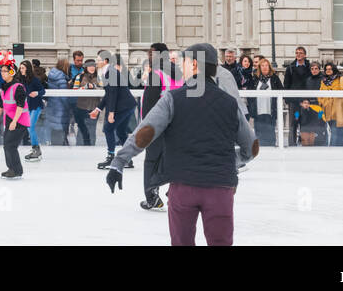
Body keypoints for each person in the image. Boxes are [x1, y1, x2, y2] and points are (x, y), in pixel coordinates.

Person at [105, 43, 256, 246]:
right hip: (220, 188)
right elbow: (251, 148)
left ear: (194, 65)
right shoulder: (229, 103)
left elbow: (145, 133)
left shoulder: (173, 99)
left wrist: (119, 161)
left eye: (183, 62)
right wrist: (229, 161)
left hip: (184, 187)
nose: (180, 67)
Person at [140, 42, 183, 210]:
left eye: (152, 54)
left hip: (158, 124)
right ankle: (173, 192)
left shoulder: (156, 74)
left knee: (151, 160)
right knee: (173, 159)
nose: (149, 57)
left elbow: (150, 104)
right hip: (176, 123)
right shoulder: (178, 73)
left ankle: (151, 197)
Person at [91, 51, 134, 169]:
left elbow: (113, 94)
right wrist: (98, 109)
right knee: (120, 131)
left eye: (98, 59)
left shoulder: (111, 72)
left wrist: (111, 113)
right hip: (127, 105)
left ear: (105, 61)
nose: (96, 61)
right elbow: (109, 94)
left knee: (108, 128)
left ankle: (111, 157)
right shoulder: (108, 72)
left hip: (124, 106)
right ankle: (128, 159)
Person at [0, 60, 29, 179]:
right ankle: (12, 169)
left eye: (5, 71)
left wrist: (15, 121)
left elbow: (20, 106)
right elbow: (0, 106)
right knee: (7, 145)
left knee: (10, 145)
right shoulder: (5, 87)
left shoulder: (18, 87)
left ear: (12, 72)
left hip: (20, 121)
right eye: (2, 71)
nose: (2, 73)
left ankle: (16, 170)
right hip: (10, 120)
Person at [283, 47, 313, 145]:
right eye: (297, 53)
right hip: (294, 102)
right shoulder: (290, 68)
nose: (298, 55)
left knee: (305, 123)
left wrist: (308, 100)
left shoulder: (309, 67)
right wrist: (287, 99)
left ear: (305, 55)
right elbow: (286, 84)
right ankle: (292, 144)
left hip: (306, 101)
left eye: (300, 53)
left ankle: (305, 143)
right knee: (293, 123)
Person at [248, 58, 282, 147]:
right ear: (259, 67)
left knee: (270, 132)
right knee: (258, 133)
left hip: (270, 111)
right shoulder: (255, 78)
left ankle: (271, 149)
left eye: (266, 65)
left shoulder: (274, 78)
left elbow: (281, 91)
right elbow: (249, 94)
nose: (264, 67)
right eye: (262, 66)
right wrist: (251, 107)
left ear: (269, 67)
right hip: (258, 111)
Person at [18, 60, 46, 162]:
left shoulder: (34, 80)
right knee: (29, 127)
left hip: (36, 105)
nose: (21, 70)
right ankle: (35, 149)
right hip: (28, 106)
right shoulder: (20, 79)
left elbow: (43, 90)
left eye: (23, 68)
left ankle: (36, 149)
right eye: (20, 68)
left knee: (30, 127)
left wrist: (37, 93)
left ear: (28, 69)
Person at [71, 56, 99, 146]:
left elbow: (104, 88)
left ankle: (91, 147)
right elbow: (74, 90)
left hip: (94, 107)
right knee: (82, 128)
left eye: (93, 66)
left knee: (92, 128)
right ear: (86, 67)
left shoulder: (100, 77)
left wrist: (95, 87)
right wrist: (85, 87)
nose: (92, 68)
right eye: (90, 66)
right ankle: (79, 147)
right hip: (81, 107)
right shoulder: (80, 76)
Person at [46, 58, 71, 147]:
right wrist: (68, 106)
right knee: (60, 128)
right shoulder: (61, 77)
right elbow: (63, 95)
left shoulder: (52, 74)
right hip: (60, 108)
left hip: (52, 105)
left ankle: (55, 145)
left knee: (54, 129)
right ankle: (60, 148)